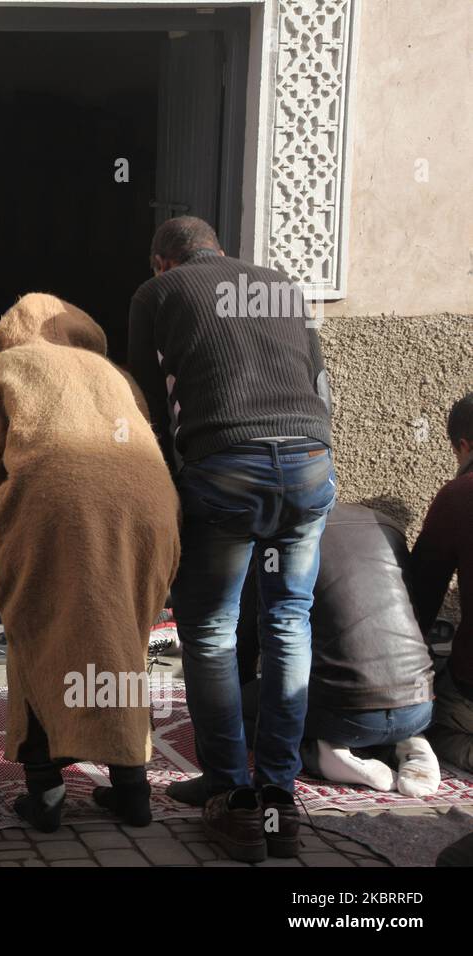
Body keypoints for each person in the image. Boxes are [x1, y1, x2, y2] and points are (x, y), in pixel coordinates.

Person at [128, 216, 336, 862]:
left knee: (212, 632)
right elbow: (320, 387)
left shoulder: (157, 295)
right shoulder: (281, 285)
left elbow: (149, 411)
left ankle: (230, 794)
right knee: (288, 620)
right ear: (219, 248)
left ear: (164, 261)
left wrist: (169, 493)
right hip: (309, 463)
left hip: (227, 464)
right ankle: (279, 794)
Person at [0, 293, 180, 833]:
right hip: (151, 512)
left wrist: (1, 554)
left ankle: (47, 791)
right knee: (121, 642)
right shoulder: (115, 374)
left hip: (53, 507)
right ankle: (132, 789)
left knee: (39, 633)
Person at [231, 504, 439, 795]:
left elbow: (248, 636)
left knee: (241, 711)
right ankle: (412, 741)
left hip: (343, 713)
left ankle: (322, 754)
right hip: (419, 703)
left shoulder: (277, 541)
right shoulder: (385, 526)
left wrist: (238, 691)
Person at [410, 393, 473, 773]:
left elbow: (419, 598)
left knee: (429, 723)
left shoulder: (460, 495)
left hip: (468, 693)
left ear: (464, 445)